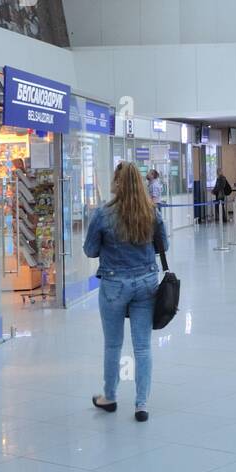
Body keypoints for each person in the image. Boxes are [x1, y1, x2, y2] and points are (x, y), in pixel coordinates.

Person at [84, 162, 169, 423]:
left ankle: (109, 396)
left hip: (113, 284)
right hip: (145, 284)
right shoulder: (150, 212)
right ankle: (141, 404)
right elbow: (162, 245)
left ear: (116, 182)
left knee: (113, 344)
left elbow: (90, 251)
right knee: (142, 347)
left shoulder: (102, 214)